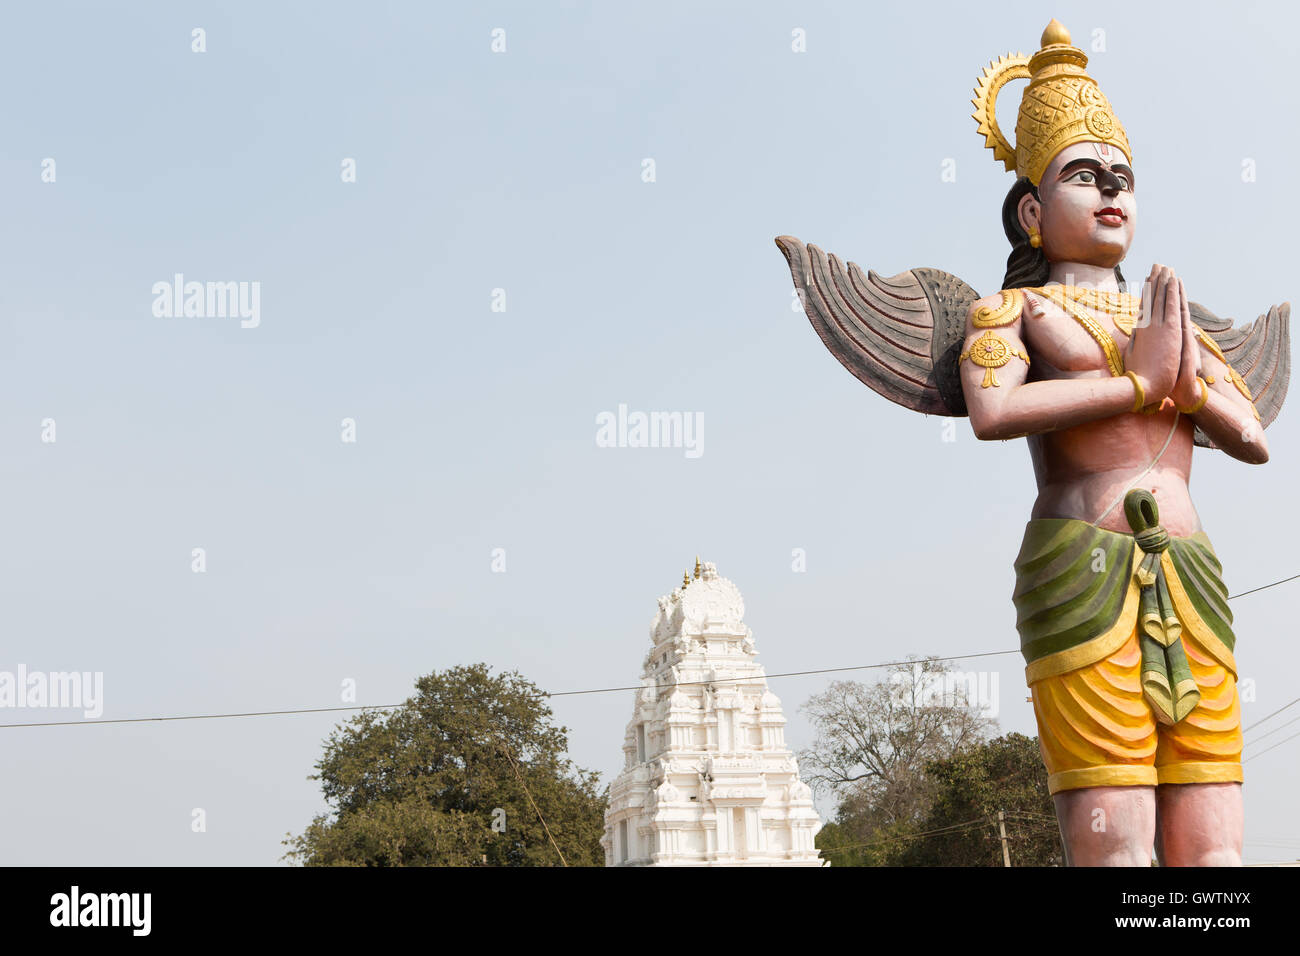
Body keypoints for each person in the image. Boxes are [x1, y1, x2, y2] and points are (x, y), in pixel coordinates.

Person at [959, 21, 1265, 866]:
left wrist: (1185, 378)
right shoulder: (1014, 311)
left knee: (1214, 851)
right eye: (1083, 176)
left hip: (1191, 574)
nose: (1110, 193)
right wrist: (1137, 385)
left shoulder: (1169, 317)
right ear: (1030, 209)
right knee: (1116, 843)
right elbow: (991, 411)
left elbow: (1255, 438)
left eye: (1122, 178)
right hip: (1081, 567)